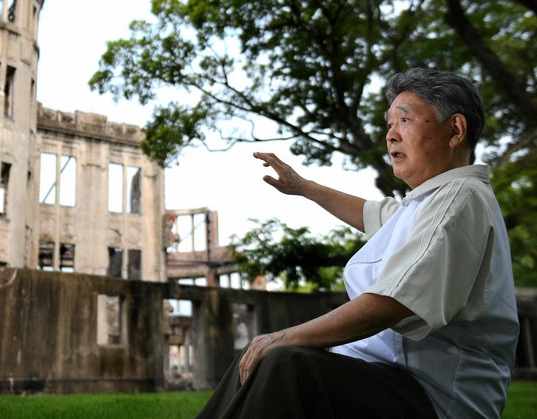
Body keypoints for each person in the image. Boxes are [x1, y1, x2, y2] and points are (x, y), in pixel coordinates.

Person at [195, 68, 519, 419]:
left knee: (283, 362)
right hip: (389, 379)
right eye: (389, 124)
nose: (391, 135)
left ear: (455, 130)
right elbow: (371, 214)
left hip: (436, 395)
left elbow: (392, 303)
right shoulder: (426, 202)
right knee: (258, 358)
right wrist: (304, 187)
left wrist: (286, 336)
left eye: (405, 120)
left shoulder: (459, 197)